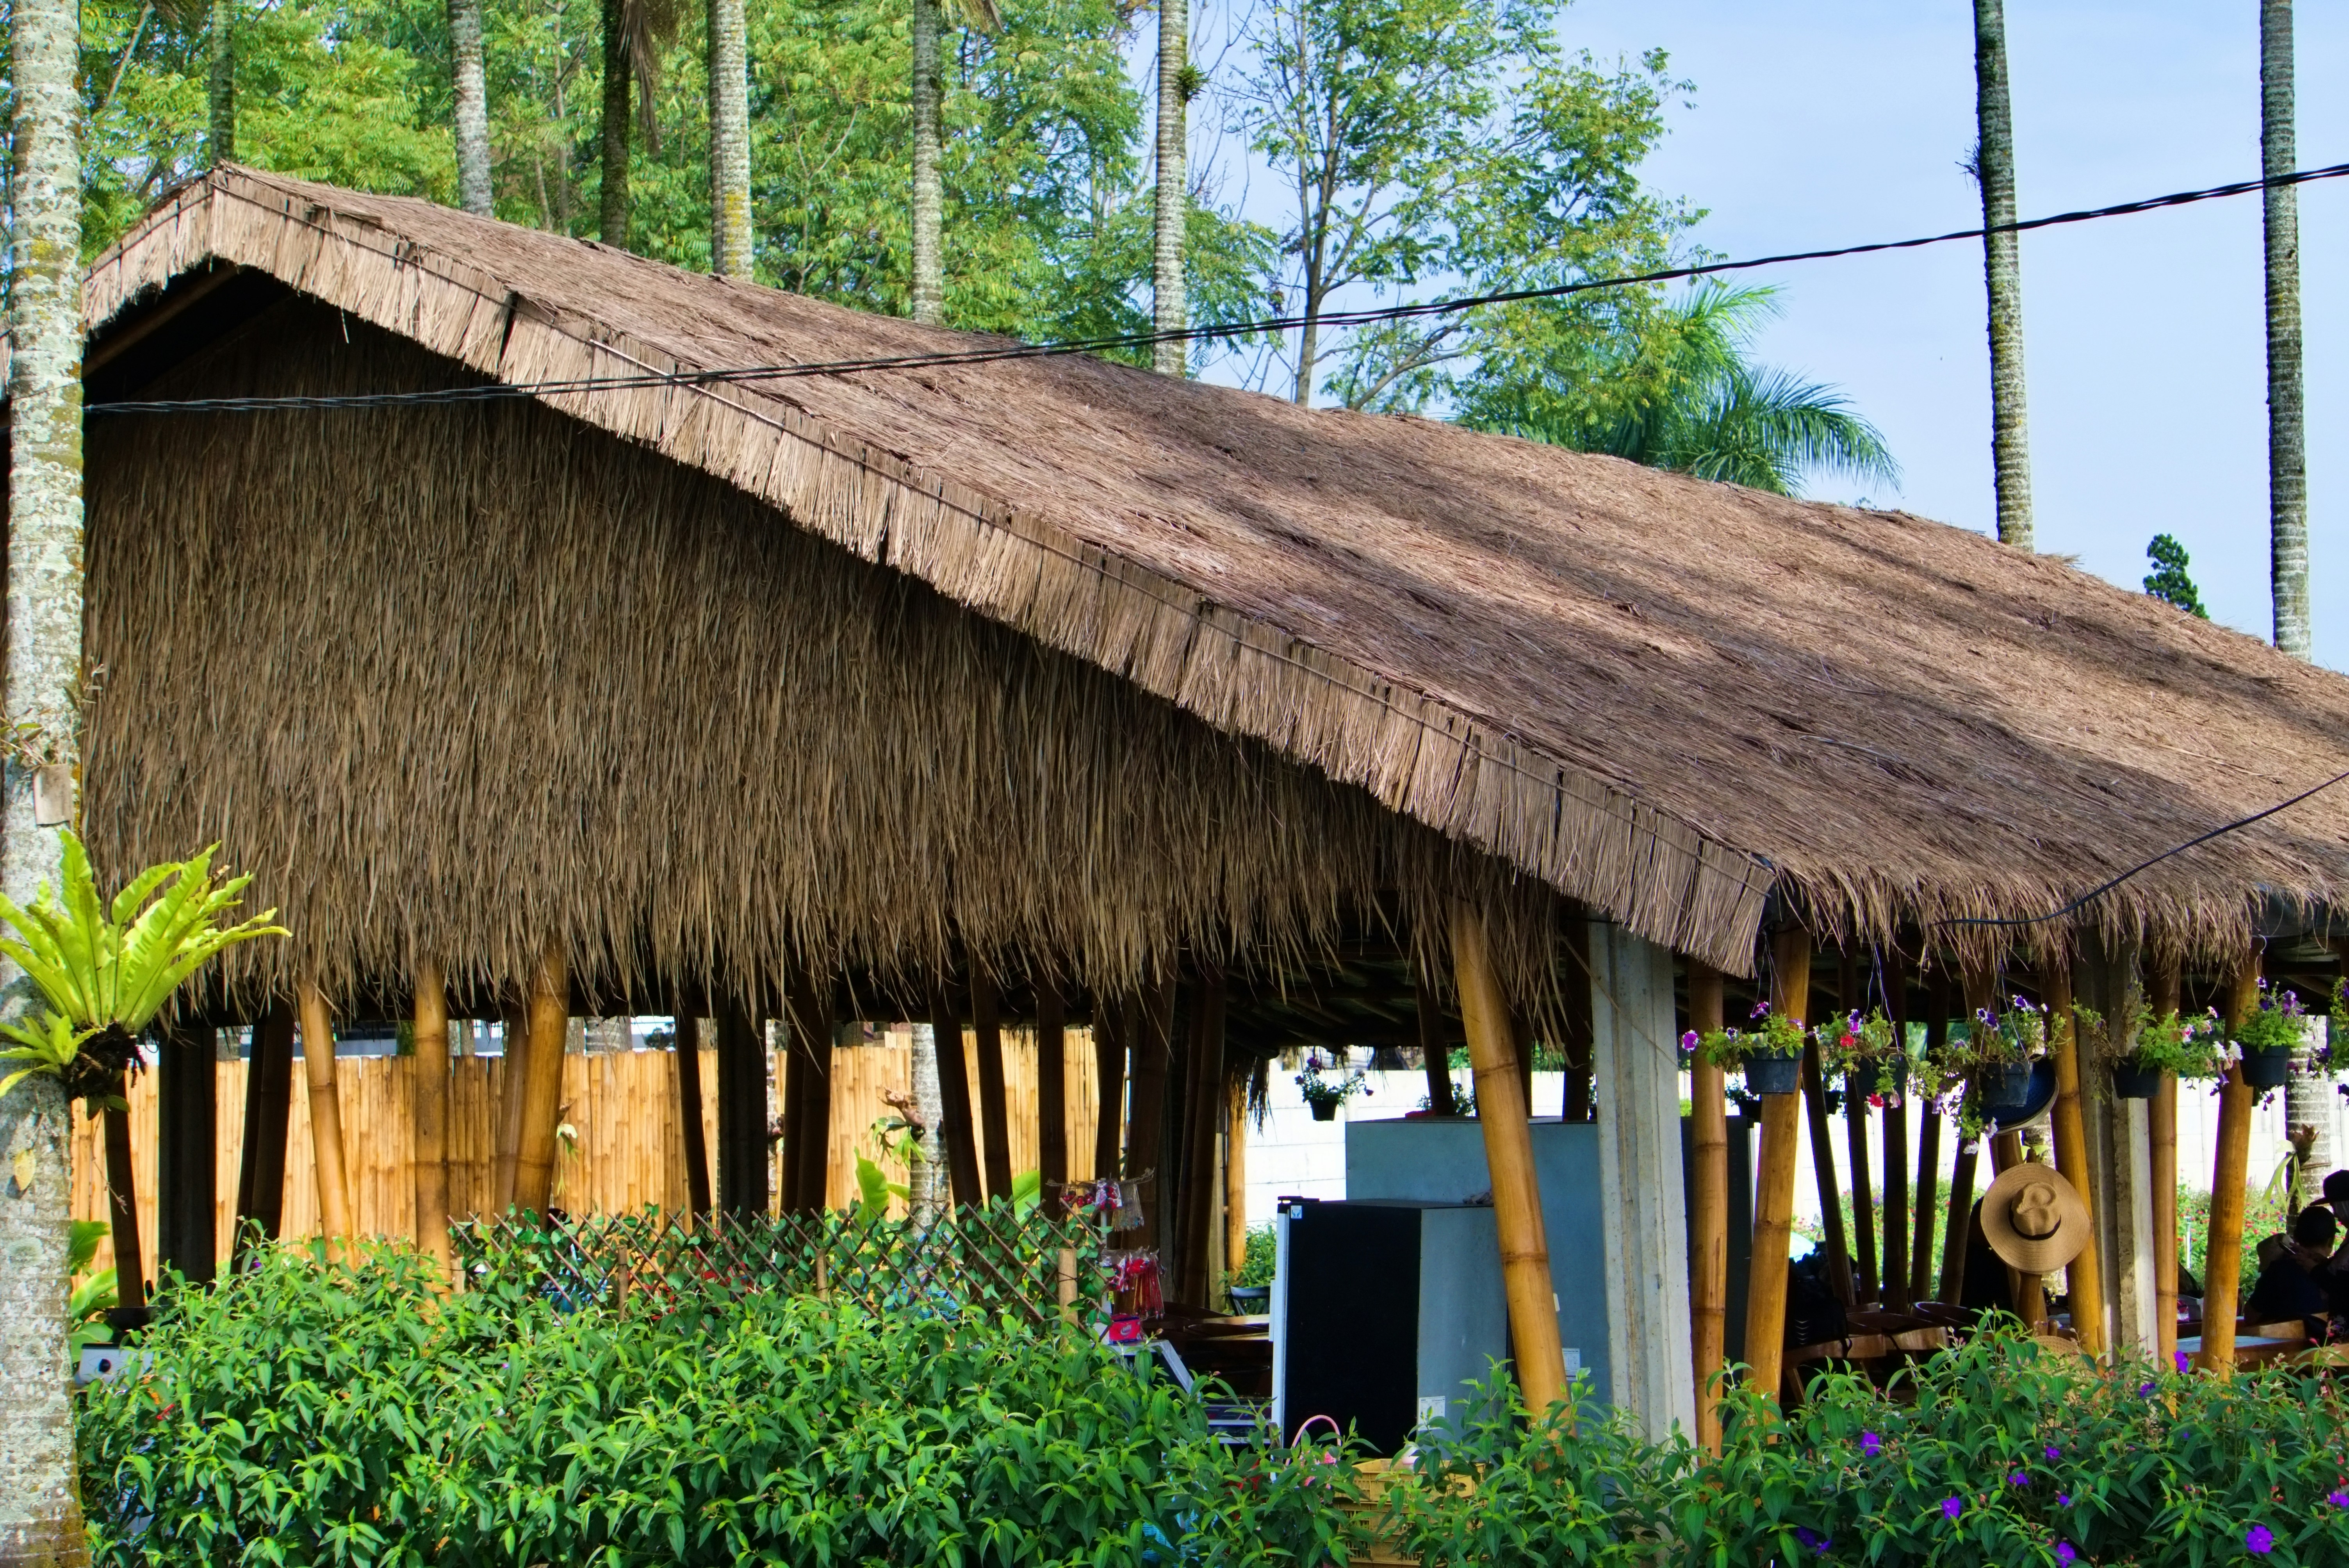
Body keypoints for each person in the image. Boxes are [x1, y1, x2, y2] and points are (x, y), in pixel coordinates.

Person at [2244, 1206, 2337, 1340]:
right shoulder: (2339, 1274)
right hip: (2331, 1354)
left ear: (2296, 1237)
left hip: (2279, 1355)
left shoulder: (2279, 1271)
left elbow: (2251, 1317)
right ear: (2330, 1241)